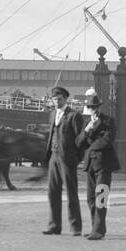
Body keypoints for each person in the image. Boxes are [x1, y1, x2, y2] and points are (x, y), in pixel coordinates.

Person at [76, 92, 119, 240]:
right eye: (90, 107)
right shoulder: (86, 123)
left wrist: (90, 144)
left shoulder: (108, 121)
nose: (93, 109)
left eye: (95, 107)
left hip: (104, 164)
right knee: (90, 199)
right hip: (90, 165)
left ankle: (98, 231)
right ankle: (97, 227)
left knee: (101, 197)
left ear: (99, 107)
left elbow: (107, 140)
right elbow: (78, 142)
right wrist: (88, 129)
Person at [43, 86, 85, 235]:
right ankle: (54, 225)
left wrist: (77, 158)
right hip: (53, 157)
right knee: (52, 192)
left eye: (59, 99)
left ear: (65, 99)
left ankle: (76, 227)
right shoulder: (53, 114)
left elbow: (80, 139)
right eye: (54, 99)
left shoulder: (75, 116)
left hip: (68, 159)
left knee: (71, 192)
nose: (56, 102)